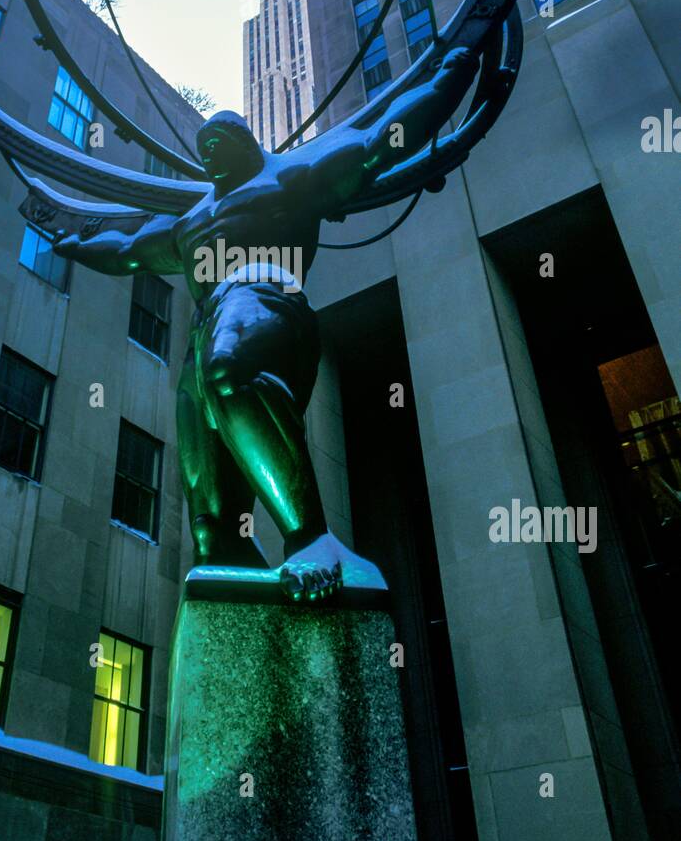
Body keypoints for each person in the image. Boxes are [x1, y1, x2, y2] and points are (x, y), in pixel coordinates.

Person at [55, 46, 480, 602]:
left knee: (228, 369)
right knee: (204, 485)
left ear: (248, 141)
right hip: (208, 322)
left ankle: (311, 538)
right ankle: (228, 552)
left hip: (266, 299)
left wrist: (454, 72)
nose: (210, 155)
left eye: (220, 142)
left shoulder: (293, 178)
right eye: (203, 147)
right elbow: (129, 250)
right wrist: (72, 239)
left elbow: (381, 139)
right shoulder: (192, 220)